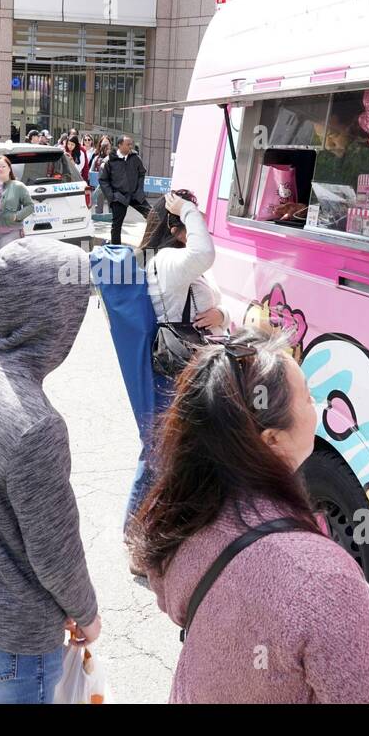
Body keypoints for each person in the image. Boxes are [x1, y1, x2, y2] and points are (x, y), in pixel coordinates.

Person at [128, 329, 369, 704]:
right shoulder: (325, 582)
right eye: (307, 397)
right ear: (271, 440)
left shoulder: (187, 515)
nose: (316, 406)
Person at [0, 237, 102, 704]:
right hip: (20, 631)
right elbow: (55, 549)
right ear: (54, 319)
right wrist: (86, 613)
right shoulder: (35, 425)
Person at [124, 189, 229, 524]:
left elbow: (212, 301)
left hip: (195, 364)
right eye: (189, 220)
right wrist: (187, 209)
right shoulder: (168, 261)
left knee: (177, 451)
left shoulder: (179, 262)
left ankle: (170, 525)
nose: (199, 226)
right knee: (159, 451)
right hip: (178, 368)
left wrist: (222, 315)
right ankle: (135, 531)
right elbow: (205, 253)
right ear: (175, 227)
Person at [99, 134, 150, 245]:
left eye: (131, 144)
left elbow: (142, 172)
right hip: (119, 197)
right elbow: (103, 180)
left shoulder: (135, 158)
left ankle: (150, 245)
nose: (131, 146)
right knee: (116, 226)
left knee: (153, 216)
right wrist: (112, 197)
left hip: (135, 195)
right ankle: (116, 250)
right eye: (128, 144)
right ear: (120, 145)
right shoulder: (109, 161)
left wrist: (139, 190)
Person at [91, 135, 112, 215]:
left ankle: (112, 215)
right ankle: (98, 214)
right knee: (99, 199)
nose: (106, 147)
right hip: (100, 185)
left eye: (108, 144)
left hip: (111, 186)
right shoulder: (96, 158)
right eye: (104, 144)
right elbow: (91, 172)